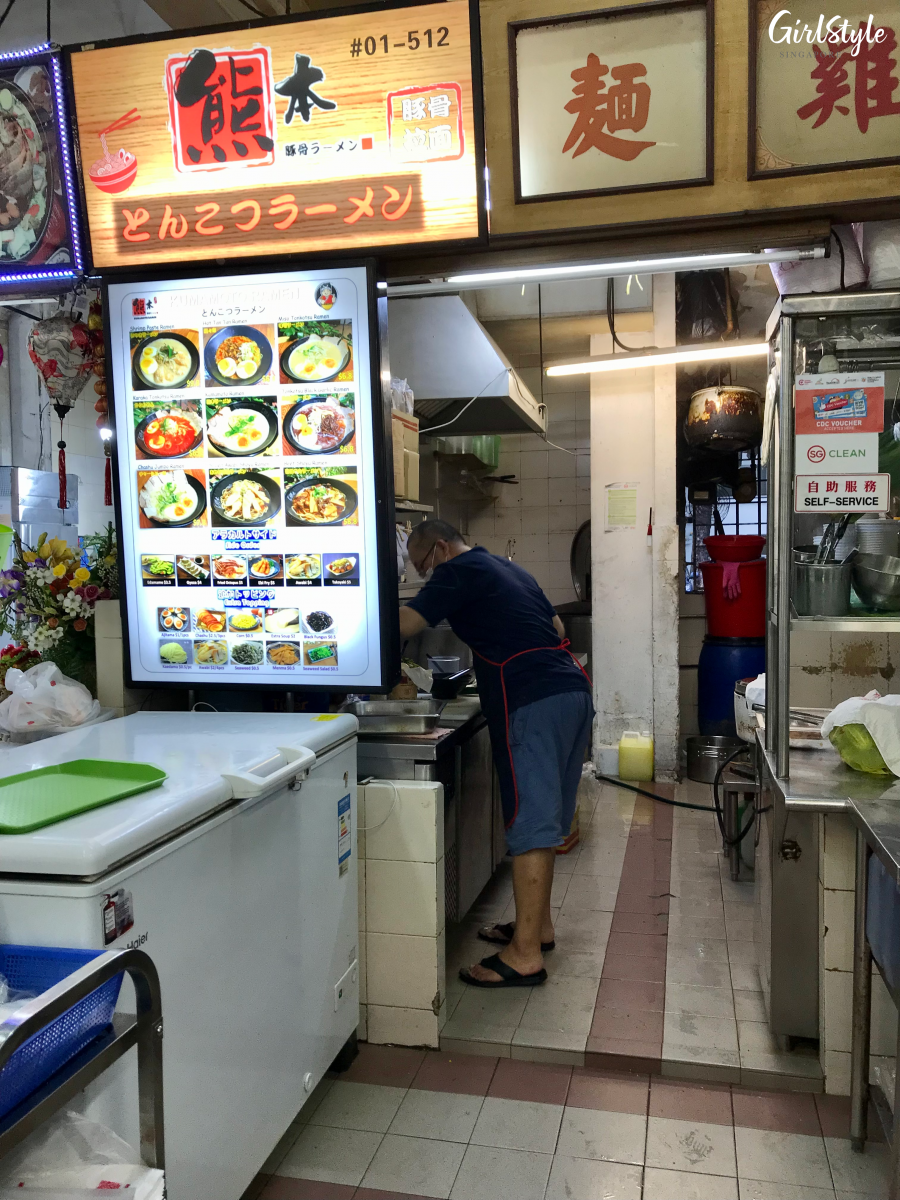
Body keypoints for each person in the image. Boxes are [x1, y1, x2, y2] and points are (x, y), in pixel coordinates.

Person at [398, 520, 593, 989]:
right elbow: (556, 625)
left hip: (532, 699)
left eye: (425, 567)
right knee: (548, 819)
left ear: (441, 548)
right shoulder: (510, 570)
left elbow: (405, 624)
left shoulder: (458, 570)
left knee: (531, 824)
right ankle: (538, 929)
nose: (428, 577)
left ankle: (524, 956)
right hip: (570, 691)